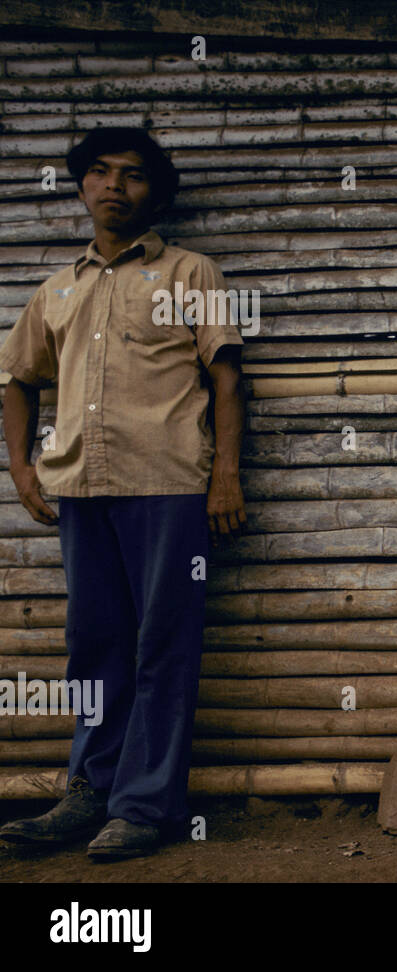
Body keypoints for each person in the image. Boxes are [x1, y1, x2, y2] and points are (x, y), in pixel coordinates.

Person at [0, 127, 246, 860]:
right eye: (100, 173)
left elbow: (227, 379)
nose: (115, 186)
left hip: (168, 484)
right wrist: (20, 468)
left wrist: (225, 474)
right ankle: (90, 791)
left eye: (133, 175)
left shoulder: (190, 274)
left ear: (154, 193)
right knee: (94, 645)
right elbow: (17, 381)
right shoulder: (58, 290)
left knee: (162, 645)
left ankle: (145, 806)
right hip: (80, 489)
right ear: (80, 187)